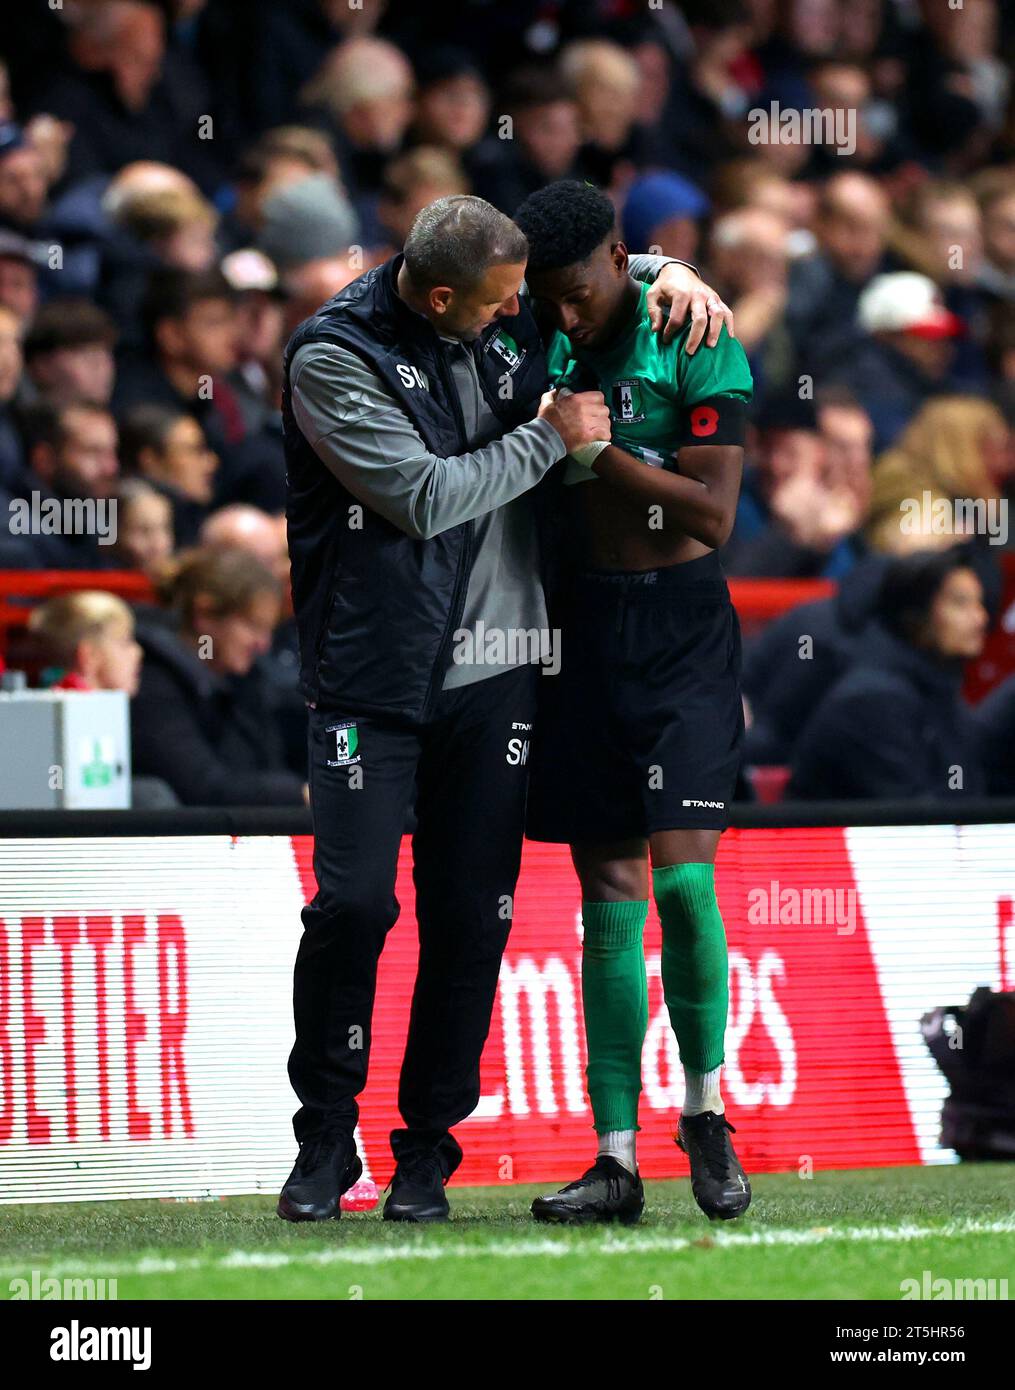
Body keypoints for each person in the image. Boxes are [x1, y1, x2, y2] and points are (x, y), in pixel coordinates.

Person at [278, 191, 734, 1224]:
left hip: (501, 672)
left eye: (522, 299)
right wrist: (555, 436)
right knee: (353, 905)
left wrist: (666, 270)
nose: (518, 318)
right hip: (371, 674)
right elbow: (426, 497)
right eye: (496, 306)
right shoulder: (331, 357)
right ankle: (322, 1135)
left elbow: (594, 280)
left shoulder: (502, 302)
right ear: (443, 295)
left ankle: (426, 1153)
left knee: (469, 921)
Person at [513, 179, 753, 1224]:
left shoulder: (689, 331)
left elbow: (711, 518)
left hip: (683, 629)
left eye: (577, 293)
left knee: (682, 882)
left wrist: (592, 452)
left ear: (618, 260)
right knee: (604, 890)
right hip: (580, 632)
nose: (563, 316)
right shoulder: (537, 324)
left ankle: (704, 1109)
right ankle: (613, 1156)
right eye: (547, 299)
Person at [789, 548, 989, 800]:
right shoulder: (872, 698)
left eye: (979, 603)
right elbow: (912, 818)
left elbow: (966, 795)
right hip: (825, 839)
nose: (980, 618)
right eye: (960, 604)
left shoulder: (938, 686)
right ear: (916, 613)